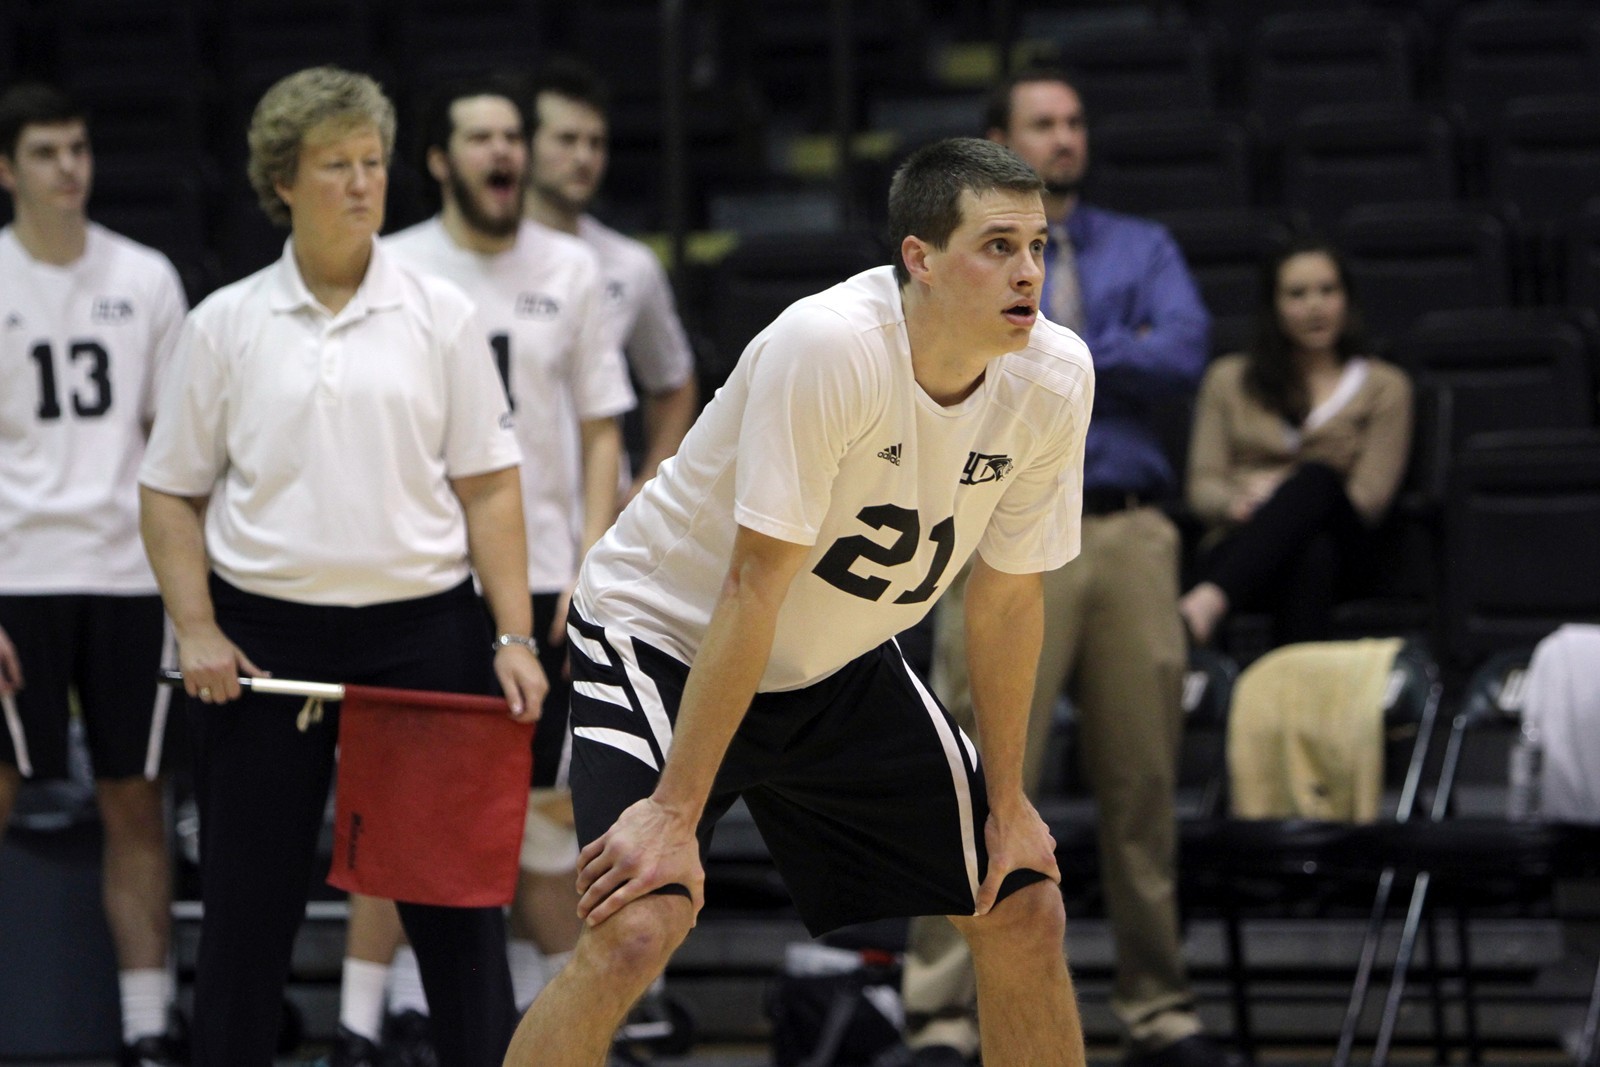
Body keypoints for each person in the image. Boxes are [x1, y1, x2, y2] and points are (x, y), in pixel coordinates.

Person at [504, 135, 1092, 1067]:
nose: (1028, 273)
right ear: (921, 260)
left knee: (1022, 902)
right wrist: (673, 811)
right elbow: (751, 585)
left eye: (1038, 246)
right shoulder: (829, 346)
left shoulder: (1055, 377)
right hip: (669, 637)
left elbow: (1009, 598)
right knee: (635, 928)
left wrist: (1010, 802)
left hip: (833, 660)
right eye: (998, 247)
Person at [136, 66, 547, 1067]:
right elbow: (168, 493)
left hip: (422, 632)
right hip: (262, 641)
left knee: (455, 916)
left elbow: (490, 485)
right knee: (246, 913)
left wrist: (514, 632)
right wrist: (196, 627)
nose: (362, 184)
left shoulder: (438, 313)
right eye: (336, 165)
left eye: (371, 163)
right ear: (284, 180)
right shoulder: (224, 322)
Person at [902, 68, 1238, 1067]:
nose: (1063, 137)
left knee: (1142, 780)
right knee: (972, 775)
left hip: (1127, 529)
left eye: (1073, 121)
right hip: (998, 521)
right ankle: (938, 1012)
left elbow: (1182, 349)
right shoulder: (964, 253)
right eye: (1040, 124)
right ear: (997, 138)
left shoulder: (1144, 245)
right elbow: (949, 342)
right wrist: (1094, 342)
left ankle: (1157, 1005)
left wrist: (1042, 340)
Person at [331, 74, 637, 1064]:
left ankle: (551, 1031)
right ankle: (361, 1022)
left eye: (513, 135)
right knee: (408, 804)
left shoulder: (573, 269)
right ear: (439, 157)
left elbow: (602, 425)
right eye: (481, 136)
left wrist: (594, 545)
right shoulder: (396, 265)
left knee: (544, 811)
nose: (503, 151)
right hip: (425, 576)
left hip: (547, 578)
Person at [0, 81, 189, 1067]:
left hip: (125, 573)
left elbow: (182, 443)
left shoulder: (147, 276)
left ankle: (147, 1024)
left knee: (133, 798)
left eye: (77, 147)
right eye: (45, 151)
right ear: (7, 167)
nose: (68, 166)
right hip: (14, 572)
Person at [1178, 238, 1413, 650]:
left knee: (1319, 481)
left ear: (1347, 298)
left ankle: (1209, 600)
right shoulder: (1228, 379)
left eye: (1328, 290)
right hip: (1242, 540)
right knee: (1309, 554)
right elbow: (1203, 485)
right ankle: (1297, 702)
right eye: (1297, 294)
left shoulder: (1385, 386)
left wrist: (1286, 491)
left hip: (1349, 548)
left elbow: (1368, 500)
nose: (1315, 307)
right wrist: (1238, 504)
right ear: (1273, 306)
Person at [521, 58, 698, 502]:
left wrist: (648, 487)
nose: (584, 157)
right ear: (523, 146)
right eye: (566, 139)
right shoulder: (476, 255)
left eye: (595, 143)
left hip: (592, 504)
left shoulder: (631, 263)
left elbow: (673, 381)